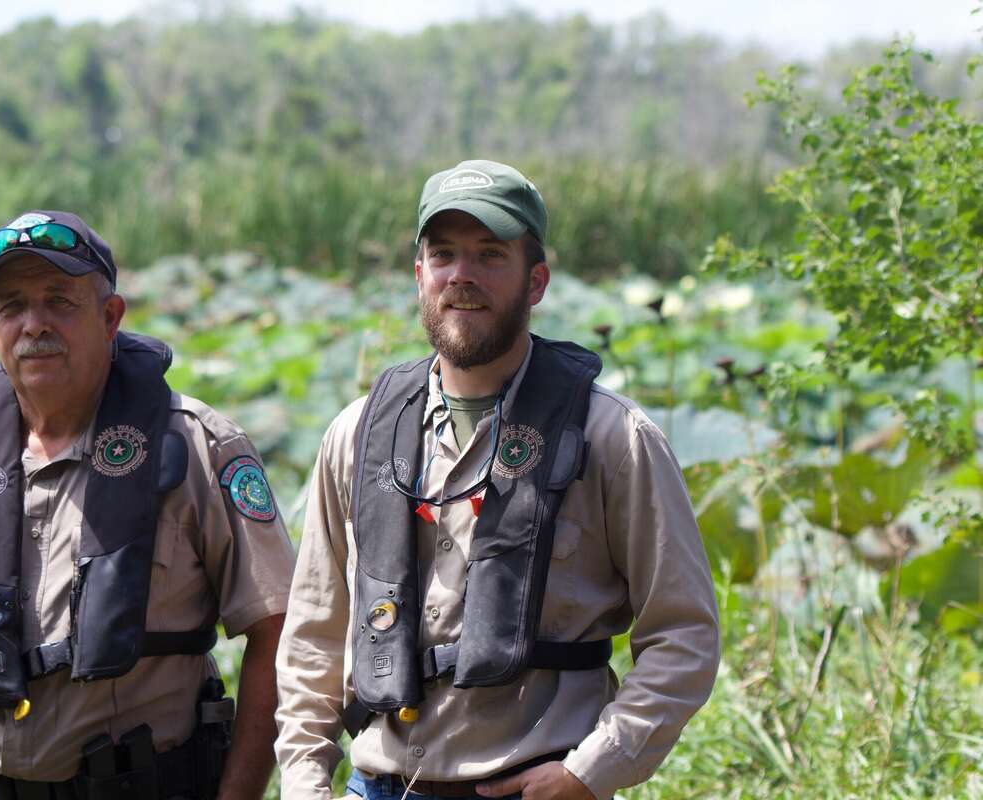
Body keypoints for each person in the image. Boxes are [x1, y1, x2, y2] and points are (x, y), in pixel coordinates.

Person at [274, 161, 720, 800]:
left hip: (537, 783)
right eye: (445, 254)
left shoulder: (613, 438)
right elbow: (314, 637)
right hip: (376, 784)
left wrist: (589, 773)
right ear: (419, 275)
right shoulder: (357, 435)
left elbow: (684, 636)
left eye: (490, 255)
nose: (463, 276)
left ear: (535, 281)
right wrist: (305, 782)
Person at [0, 210, 296, 800]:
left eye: (60, 300)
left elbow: (280, 631)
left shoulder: (195, 447)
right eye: (12, 306)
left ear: (110, 317)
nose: (34, 324)